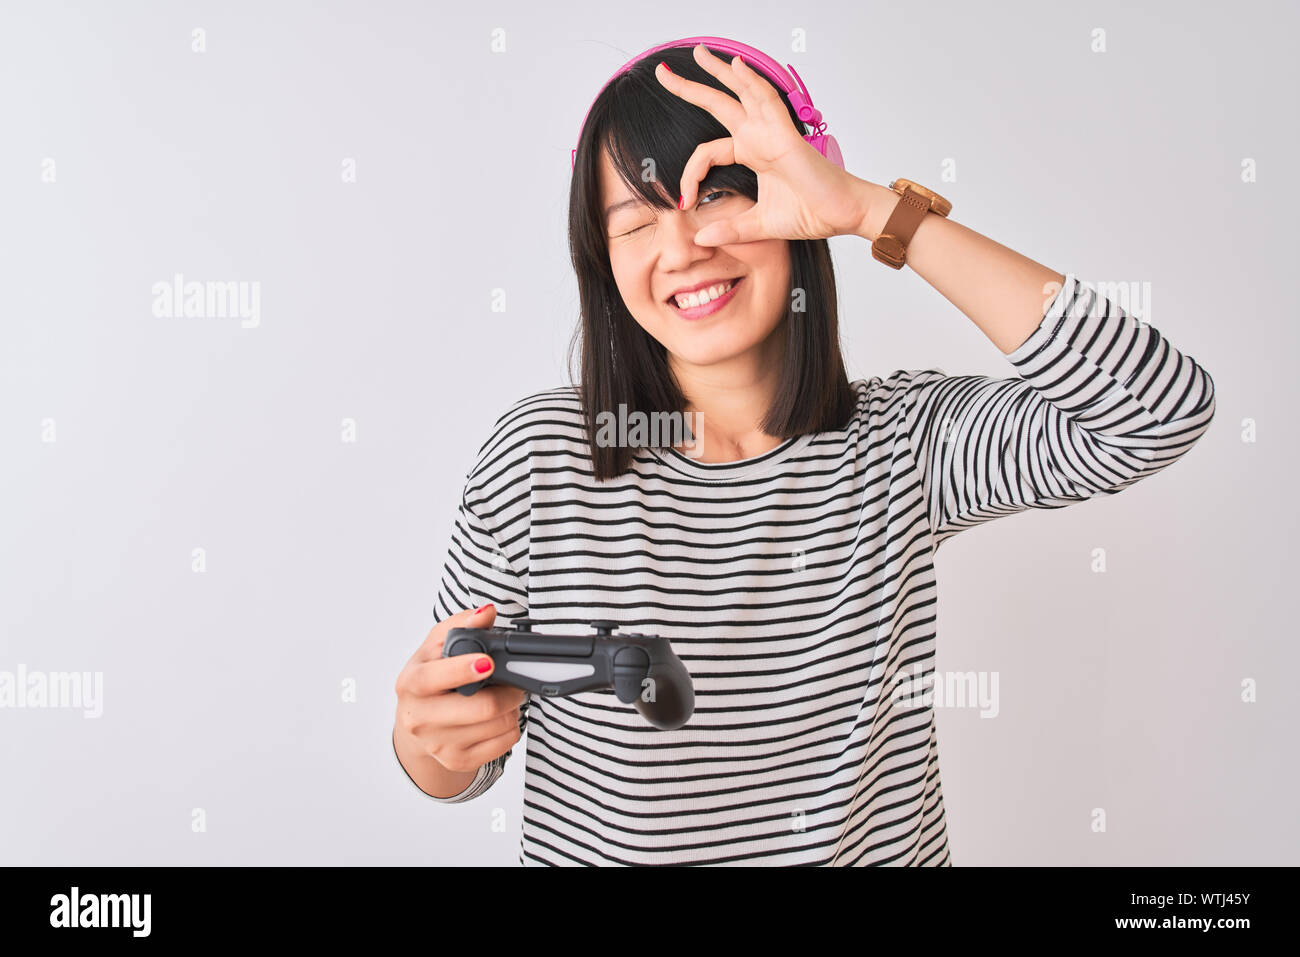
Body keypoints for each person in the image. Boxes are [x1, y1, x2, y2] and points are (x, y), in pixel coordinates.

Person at [393, 41, 1216, 866]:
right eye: (636, 223)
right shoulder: (539, 457)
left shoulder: (905, 444)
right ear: (603, 264)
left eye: (714, 196)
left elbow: (1157, 410)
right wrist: (428, 739)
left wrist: (870, 212)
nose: (681, 250)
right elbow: (461, 759)